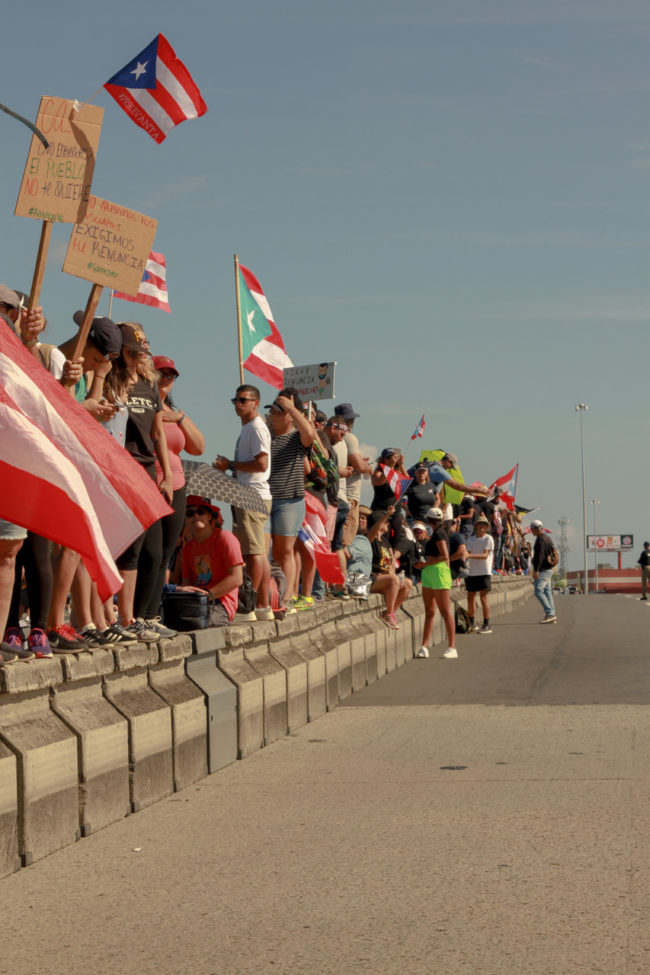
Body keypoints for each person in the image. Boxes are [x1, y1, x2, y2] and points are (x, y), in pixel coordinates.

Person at [114, 322, 174, 641]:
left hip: (148, 469)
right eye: (134, 350)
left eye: (143, 349)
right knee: (129, 547)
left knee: (152, 550)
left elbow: (158, 433)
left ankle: (139, 617)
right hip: (123, 466)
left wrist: (166, 475)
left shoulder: (150, 385)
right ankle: (125, 618)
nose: (140, 354)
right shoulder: (114, 379)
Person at [146, 355, 205, 624]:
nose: (166, 379)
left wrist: (180, 418)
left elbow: (198, 447)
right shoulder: (143, 404)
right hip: (150, 481)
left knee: (164, 554)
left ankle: (153, 614)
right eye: (161, 373)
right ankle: (138, 614)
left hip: (177, 485)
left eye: (171, 375)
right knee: (150, 552)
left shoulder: (175, 411)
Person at [214, 384, 273, 620]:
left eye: (243, 400)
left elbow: (261, 464)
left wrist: (230, 464)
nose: (238, 404)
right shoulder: (250, 427)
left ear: (255, 403)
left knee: (252, 553)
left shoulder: (256, 427)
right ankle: (262, 605)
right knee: (256, 551)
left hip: (252, 494)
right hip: (249, 493)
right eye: (236, 400)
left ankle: (249, 606)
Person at [266, 389, 315, 612]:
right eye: (272, 412)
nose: (273, 416)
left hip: (290, 501)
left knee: (285, 551)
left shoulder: (296, 438)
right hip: (268, 500)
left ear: (289, 416)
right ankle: (277, 594)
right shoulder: (267, 437)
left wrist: (292, 408)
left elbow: (310, 434)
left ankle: (286, 598)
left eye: (279, 412)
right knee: (272, 553)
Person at [181, 496, 244, 626]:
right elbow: (186, 582)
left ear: (209, 516)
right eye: (190, 513)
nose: (196, 516)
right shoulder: (188, 548)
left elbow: (237, 578)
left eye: (200, 512)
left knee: (194, 622)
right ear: (186, 519)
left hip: (221, 604)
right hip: (197, 602)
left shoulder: (224, 538)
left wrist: (207, 596)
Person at [414, 507, 457, 659]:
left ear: (428, 520)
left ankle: (452, 647)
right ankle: (424, 646)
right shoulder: (439, 532)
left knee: (444, 611)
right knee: (430, 611)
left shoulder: (439, 533)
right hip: (431, 572)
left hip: (437, 572)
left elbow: (445, 556)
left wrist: (424, 564)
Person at [366, 506, 412, 629]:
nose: (388, 523)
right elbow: (373, 531)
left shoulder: (385, 542)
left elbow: (391, 563)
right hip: (372, 579)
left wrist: (391, 573)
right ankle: (388, 614)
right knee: (394, 579)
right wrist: (386, 515)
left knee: (407, 583)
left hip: (385, 579)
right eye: (386, 521)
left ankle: (390, 612)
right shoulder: (370, 539)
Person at [334, 403, 373, 547]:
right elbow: (359, 466)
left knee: (338, 542)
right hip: (349, 496)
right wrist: (368, 467)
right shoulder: (349, 437)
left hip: (340, 494)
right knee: (344, 542)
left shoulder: (335, 437)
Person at [465, 514, 494, 633]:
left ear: (486, 528)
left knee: (483, 598)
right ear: (476, 527)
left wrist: (469, 555)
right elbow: (466, 553)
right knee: (470, 597)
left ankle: (486, 623)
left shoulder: (488, 539)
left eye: (484, 526)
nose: (481, 527)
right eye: (479, 525)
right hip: (472, 572)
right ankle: (471, 622)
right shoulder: (470, 539)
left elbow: (485, 555)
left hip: (484, 572)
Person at [530, 520, 557, 623]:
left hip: (543, 570)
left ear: (536, 528)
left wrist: (536, 570)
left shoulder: (540, 539)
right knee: (547, 592)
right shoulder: (547, 538)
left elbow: (540, 555)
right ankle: (552, 614)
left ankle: (549, 613)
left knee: (538, 591)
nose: (531, 531)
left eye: (532, 529)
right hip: (548, 569)